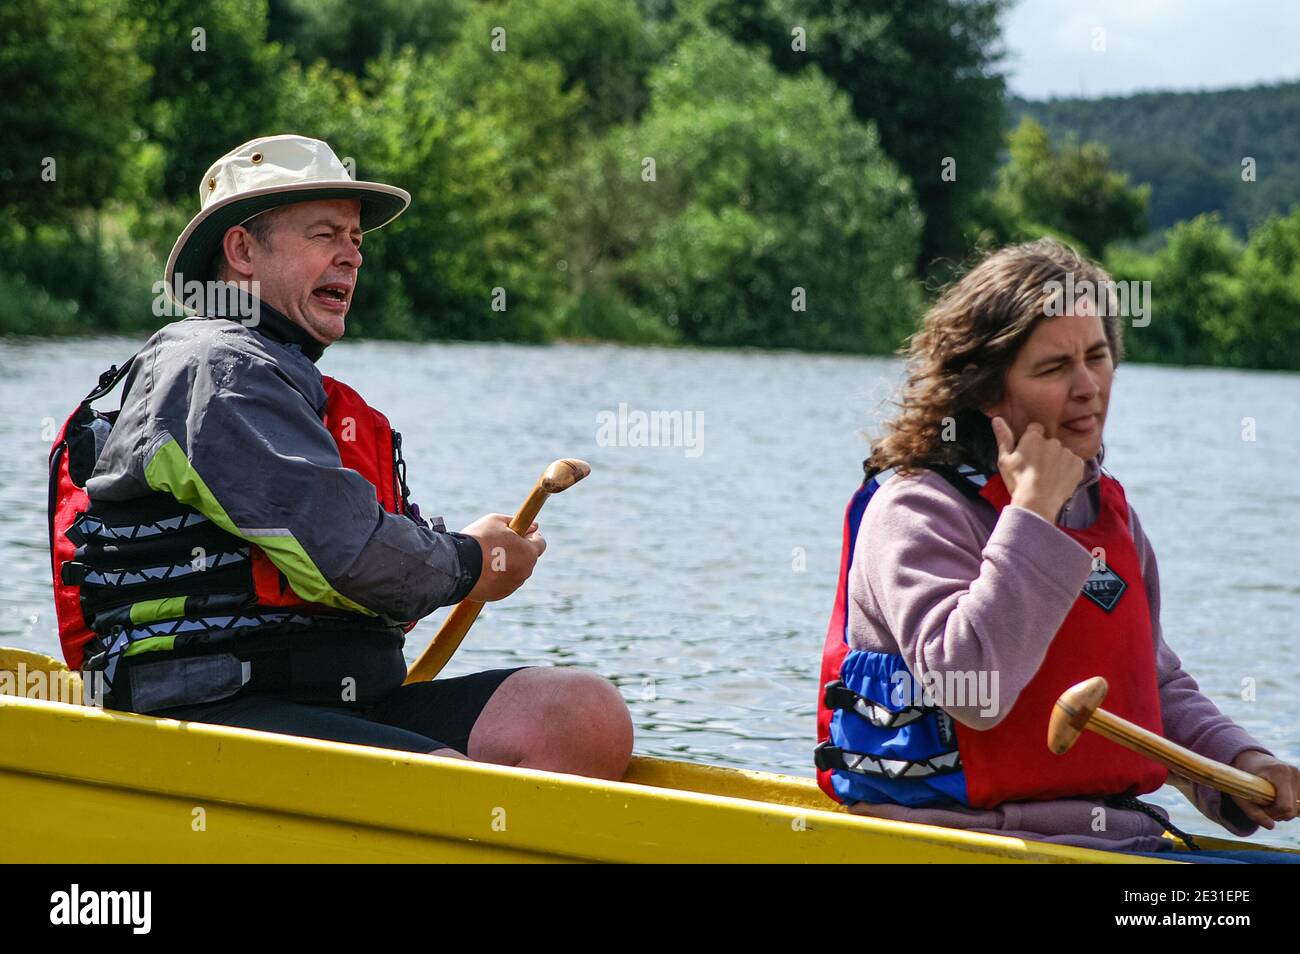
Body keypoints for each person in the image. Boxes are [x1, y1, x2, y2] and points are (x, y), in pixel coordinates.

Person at [49, 135, 631, 780]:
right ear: (241, 250)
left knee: (577, 715)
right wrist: (474, 558)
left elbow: (370, 558)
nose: (351, 256)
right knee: (449, 785)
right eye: (325, 234)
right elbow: (343, 551)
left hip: (339, 699)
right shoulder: (212, 368)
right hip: (212, 706)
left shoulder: (283, 378)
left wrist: (457, 555)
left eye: (355, 239)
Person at [815, 239, 1299, 862]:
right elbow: (972, 688)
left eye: (1097, 358)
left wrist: (1237, 761)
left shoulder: (1105, 512)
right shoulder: (915, 510)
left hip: (1120, 842)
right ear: (988, 390)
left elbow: (1151, 682)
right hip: (964, 842)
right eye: (1053, 369)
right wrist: (1033, 516)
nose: (1087, 388)